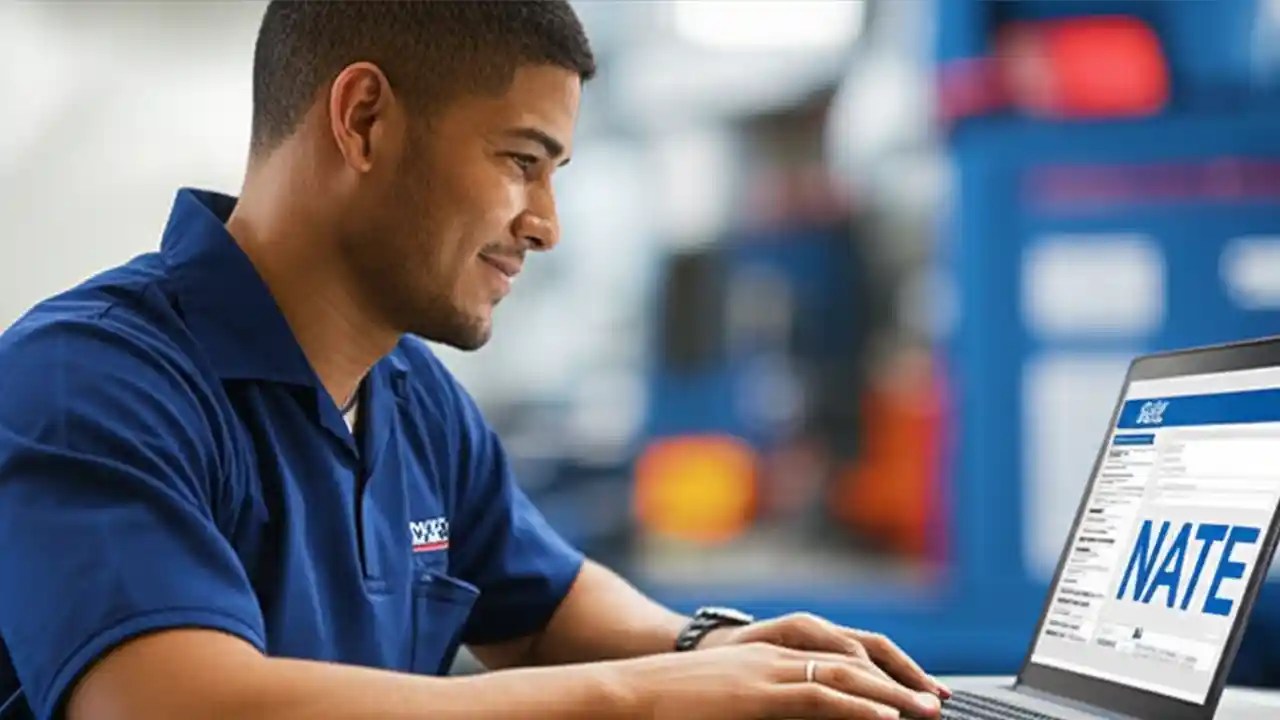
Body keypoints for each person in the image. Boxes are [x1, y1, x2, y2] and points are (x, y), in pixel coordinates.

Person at [0, 3, 947, 719]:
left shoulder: (413, 401)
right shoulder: (87, 382)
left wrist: (714, 647)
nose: (545, 224)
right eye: (520, 161)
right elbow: (172, 704)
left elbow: (546, 608)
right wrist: (643, 694)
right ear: (364, 118)